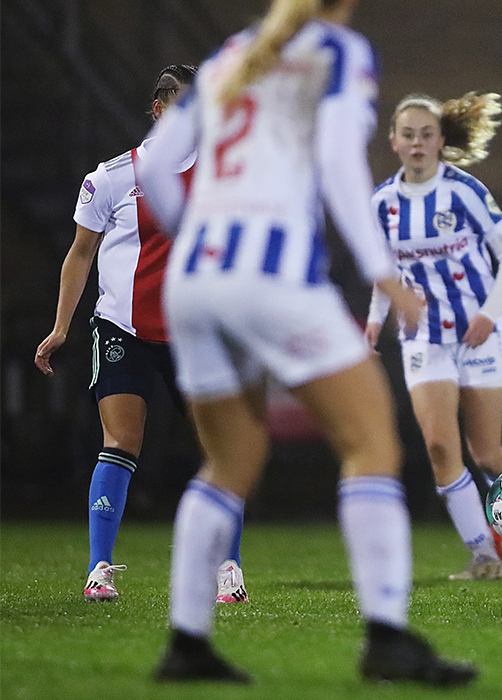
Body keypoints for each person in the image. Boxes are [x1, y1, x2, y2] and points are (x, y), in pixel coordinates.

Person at [136, 0, 475, 686]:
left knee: (231, 458)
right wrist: (385, 271)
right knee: (371, 441)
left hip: (194, 278)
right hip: (273, 273)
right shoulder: (336, 49)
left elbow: (153, 168)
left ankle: (187, 645)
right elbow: (337, 162)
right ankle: (385, 637)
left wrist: (204, 238)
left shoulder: (234, 52)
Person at [35, 65, 248, 605]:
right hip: (122, 328)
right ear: (159, 109)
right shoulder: (112, 176)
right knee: (121, 442)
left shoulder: (223, 174)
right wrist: (61, 326)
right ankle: (99, 569)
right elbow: (80, 252)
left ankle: (230, 570)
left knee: (221, 447)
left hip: (192, 331)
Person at [365, 92, 502, 581]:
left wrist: (490, 314)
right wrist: (375, 318)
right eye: (408, 135)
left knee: (486, 452)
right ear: (394, 142)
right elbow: (383, 271)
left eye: (426, 134)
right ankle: (483, 554)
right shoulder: (383, 204)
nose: (417, 143)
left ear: (439, 141)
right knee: (438, 446)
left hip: (479, 334)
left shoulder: (465, 191)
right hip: (423, 339)